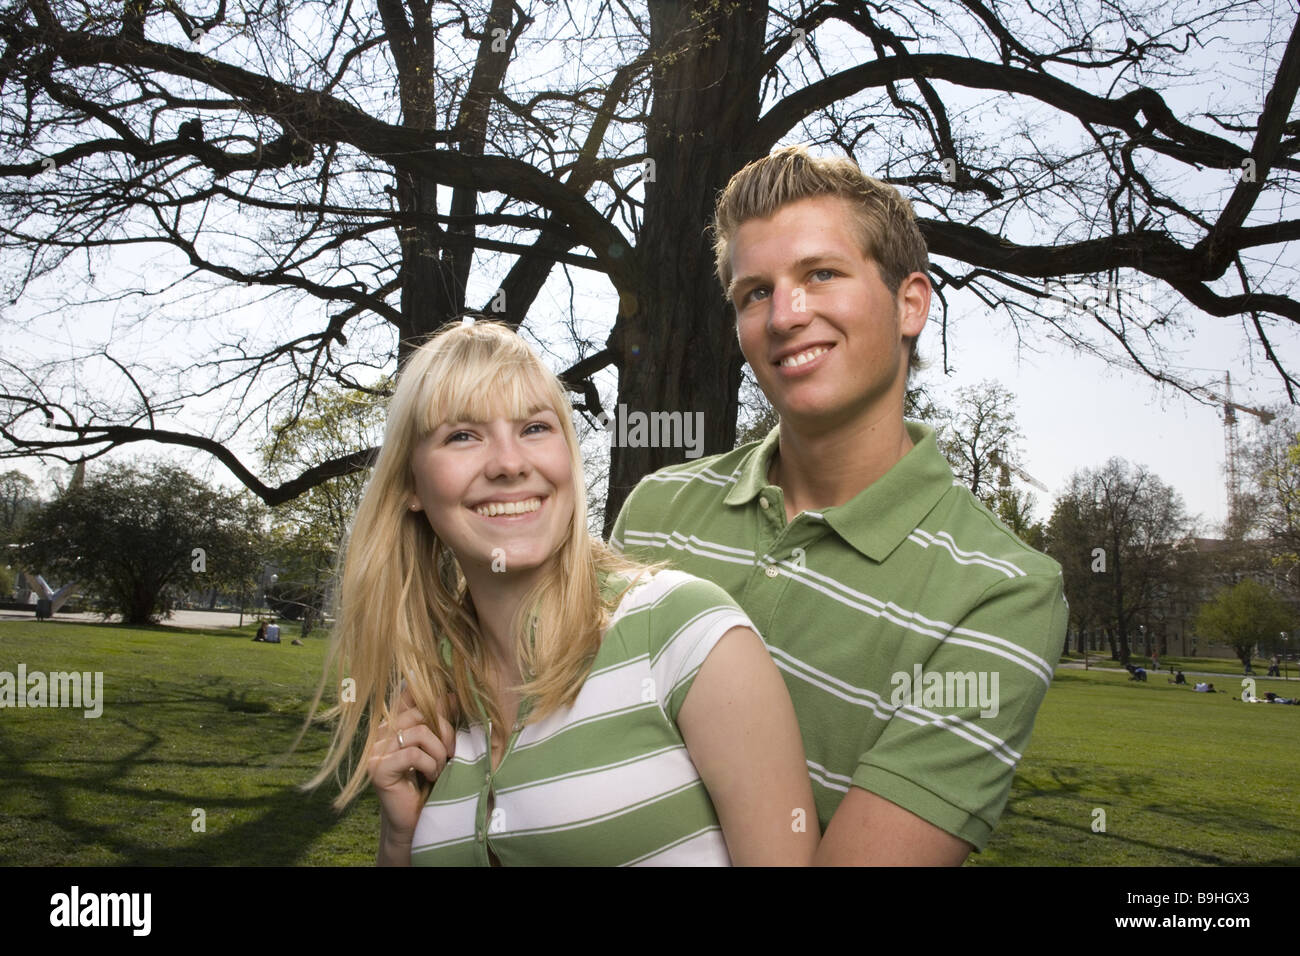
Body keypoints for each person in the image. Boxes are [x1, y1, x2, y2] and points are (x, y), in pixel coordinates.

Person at [611, 145, 1068, 865]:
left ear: (910, 302)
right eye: (754, 293)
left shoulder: (1003, 595)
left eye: (821, 274)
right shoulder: (656, 509)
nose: (786, 316)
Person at [303, 320, 818, 866]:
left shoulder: (685, 632)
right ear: (410, 485)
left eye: (534, 429)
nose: (509, 463)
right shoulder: (433, 692)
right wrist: (400, 840)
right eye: (462, 435)